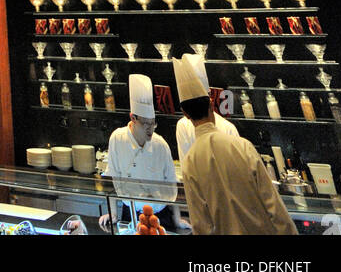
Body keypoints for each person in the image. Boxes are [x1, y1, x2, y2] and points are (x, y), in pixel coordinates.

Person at [173, 53, 297, 235]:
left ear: (185, 113)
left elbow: (201, 225)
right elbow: (273, 204)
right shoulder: (242, 145)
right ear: (211, 102)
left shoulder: (190, 162)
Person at [104, 74, 177, 230]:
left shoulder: (160, 144)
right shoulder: (117, 138)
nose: (150, 129)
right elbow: (113, 177)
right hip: (129, 213)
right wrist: (113, 213)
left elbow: (171, 184)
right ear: (133, 118)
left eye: (153, 123)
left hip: (159, 216)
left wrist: (177, 220)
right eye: (145, 123)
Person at [175, 54, 239, 161]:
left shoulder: (227, 128)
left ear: (184, 112)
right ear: (211, 102)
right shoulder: (182, 126)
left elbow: (185, 167)